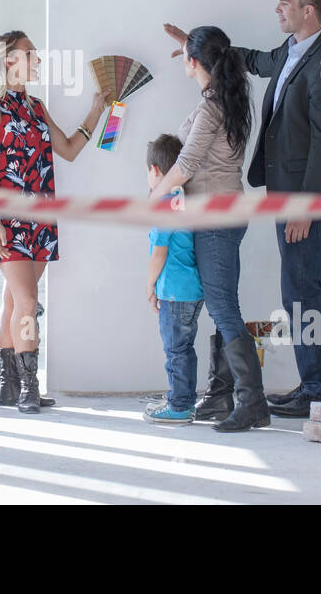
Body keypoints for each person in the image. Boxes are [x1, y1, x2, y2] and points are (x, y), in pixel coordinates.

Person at [163, 0, 321, 419]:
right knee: (310, 289)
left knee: (303, 291)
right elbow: (253, 61)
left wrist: (305, 206)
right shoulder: (291, 51)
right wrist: (198, 47)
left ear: (308, 10)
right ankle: (318, 386)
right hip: (287, 196)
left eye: (285, 1)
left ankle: (318, 389)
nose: (277, 7)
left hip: (305, 199)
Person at [0, 30, 106, 413]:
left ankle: (8, 384)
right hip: (7, 219)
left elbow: (68, 151)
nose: (39, 60)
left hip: (42, 218)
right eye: (30, 53)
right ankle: (30, 385)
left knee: (14, 300)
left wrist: (96, 111)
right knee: (28, 300)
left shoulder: (36, 106)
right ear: (8, 59)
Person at [148, 26, 269, 432]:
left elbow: (186, 165)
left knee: (222, 308)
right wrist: (191, 45)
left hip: (217, 219)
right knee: (221, 308)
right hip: (221, 215)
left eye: (187, 55)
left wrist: (155, 198)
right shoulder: (219, 99)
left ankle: (252, 403)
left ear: (195, 62)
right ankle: (220, 398)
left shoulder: (214, 104)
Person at [143, 134, 203, 425]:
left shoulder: (164, 202)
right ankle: (184, 400)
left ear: (154, 170)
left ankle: (179, 406)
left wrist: (149, 284)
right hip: (193, 289)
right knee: (184, 349)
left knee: (175, 351)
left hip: (174, 291)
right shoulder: (184, 198)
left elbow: (159, 252)